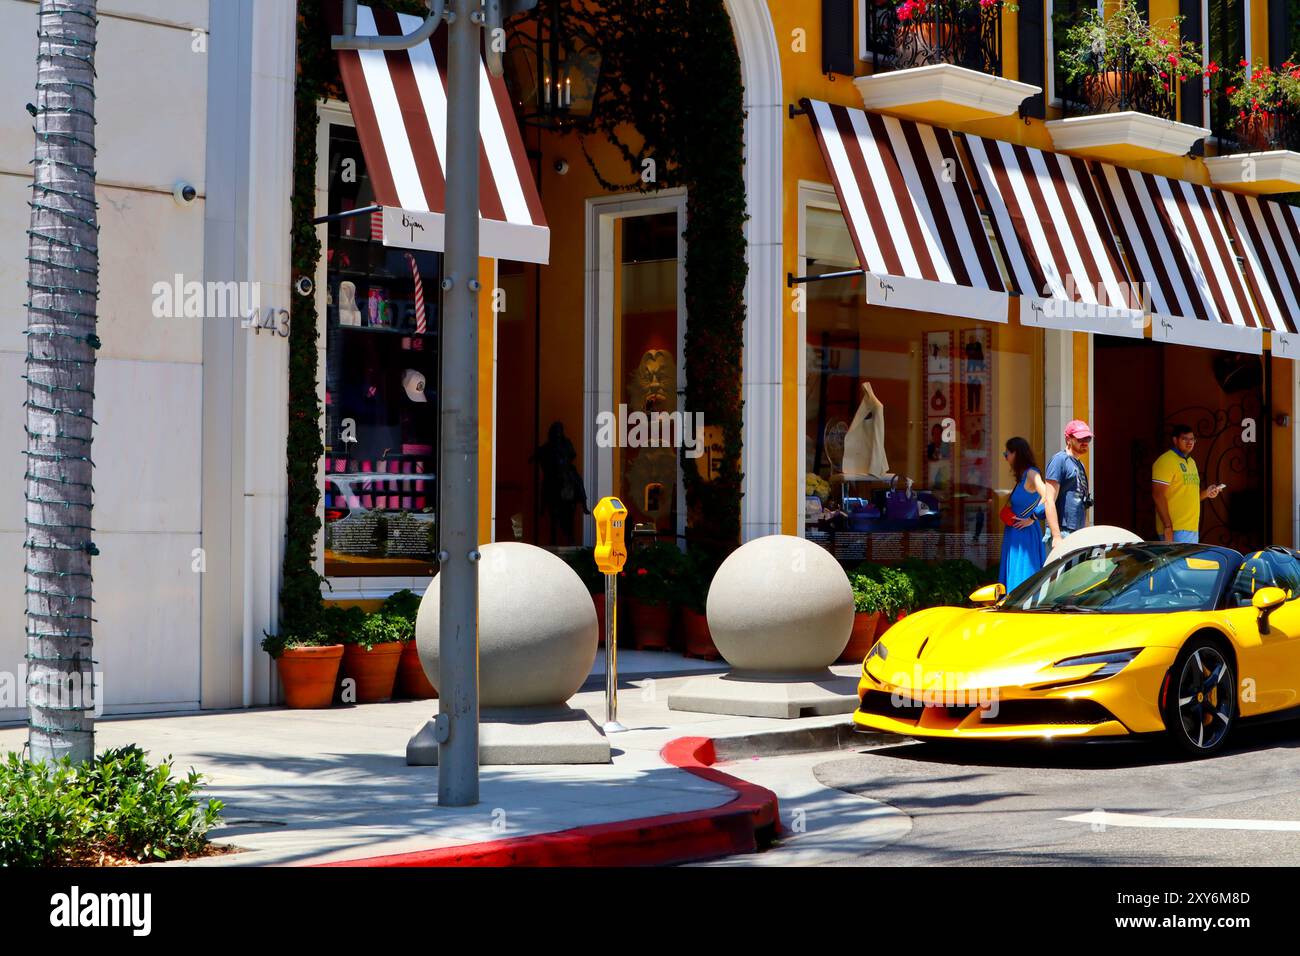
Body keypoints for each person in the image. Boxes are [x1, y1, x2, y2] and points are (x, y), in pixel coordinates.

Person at [998, 437, 1060, 592]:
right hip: (1015, 532)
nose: (1006, 458)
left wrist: (1033, 518)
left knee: (1023, 576)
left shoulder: (1032, 474)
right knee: (1016, 576)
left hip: (1024, 533)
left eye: (1007, 454)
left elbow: (1048, 496)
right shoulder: (1023, 476)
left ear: (1016, 454)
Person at [1152, 424, 1221, 543]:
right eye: (1185, 439)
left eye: (1192, 439)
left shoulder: (1191, 462)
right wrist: (1168, 527)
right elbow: (1157, 495)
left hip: (1191, 528)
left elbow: (1189, 496)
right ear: (1175, 440)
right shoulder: (1165, 461)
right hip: (1175, 529)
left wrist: (1207, 492)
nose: (1189, 442)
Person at [1044, 420, 1093, 553]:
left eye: (1087, 438)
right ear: (1068, 439)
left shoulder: (1080, 465)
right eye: (1080, 438)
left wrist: (1085, 533)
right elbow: (1049, 501)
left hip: (1077, 533)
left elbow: (1084, 502)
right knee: (1061, 574)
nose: (1085, 442)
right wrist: (1056, 536)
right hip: (1062, 532)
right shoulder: (1059, 460)